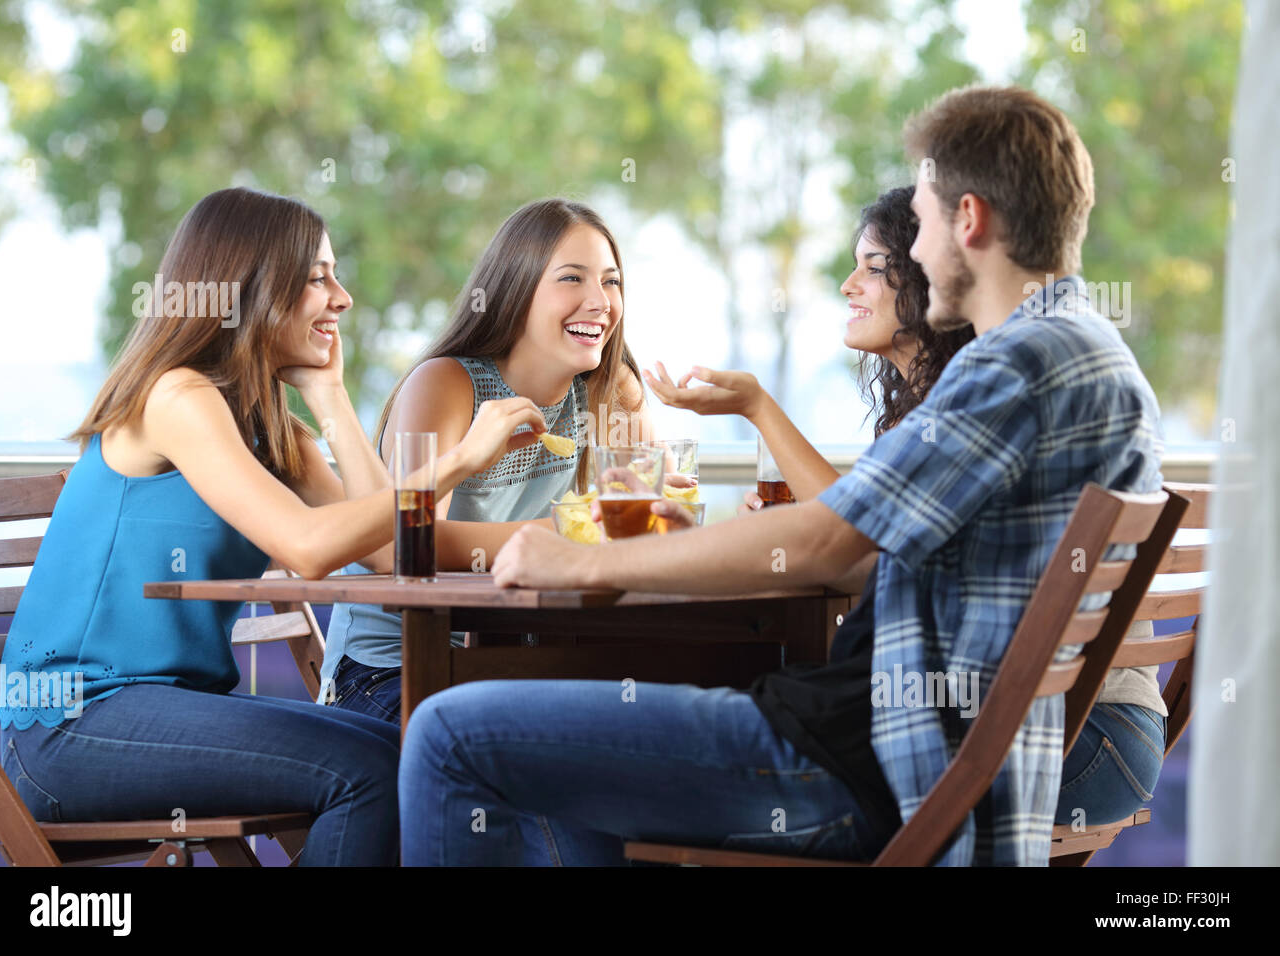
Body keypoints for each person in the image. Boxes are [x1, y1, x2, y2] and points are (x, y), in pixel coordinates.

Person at [400, 85, 1164, 866]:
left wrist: (585, 560)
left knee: (445, 731)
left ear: (968, 219)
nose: (918, 249)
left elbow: (831, 539)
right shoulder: (1081, 350)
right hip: (888, 746)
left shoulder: (1019, 363)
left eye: (925, 221)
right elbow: (863, 542)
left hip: (861, 767)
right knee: (574, 746)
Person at [0, 187, 543, 866]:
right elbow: (307, 549)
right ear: (251, 289)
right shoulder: (176, 395)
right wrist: (459, 461)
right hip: (72, 729)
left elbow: (390, 554)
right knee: (365, 768)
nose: (341, 298)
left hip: (165, 719)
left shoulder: (274, 434)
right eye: (317, 278)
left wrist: (332, 398)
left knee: (404, 751)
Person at [650, 186, 1168, 832]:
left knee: (695, 783)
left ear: (926, 277)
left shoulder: (973, 404)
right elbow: (871, 547)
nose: (847, 285)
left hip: (1073, 739)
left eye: (872, 266)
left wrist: (759, 418)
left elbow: (847, 539)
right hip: (1093, 731)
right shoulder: (933, 404)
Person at [318, 198, 661, 723]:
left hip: (526, 660)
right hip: (393, 668)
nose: (600, 301)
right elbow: (409, 544)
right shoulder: (447, 384)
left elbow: (641, 520)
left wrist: (652, 513)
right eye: (572, 279)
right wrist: (565, 534)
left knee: (656, 719)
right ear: (516, 289)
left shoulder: (612, 391)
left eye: (611, 282)